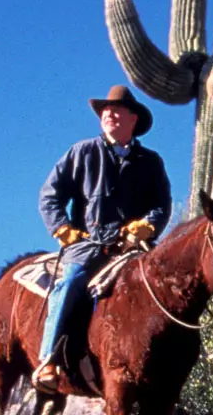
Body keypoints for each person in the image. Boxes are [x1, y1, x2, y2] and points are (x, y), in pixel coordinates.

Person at [36, 85, 172, 392]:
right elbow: (50, 196)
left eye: (117, 110)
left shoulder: (151, 162)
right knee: (69, 283)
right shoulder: (82, 152)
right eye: (105, 110)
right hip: (89, 246)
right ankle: (49, 360)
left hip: (132, 249)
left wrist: (146, 227)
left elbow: (162, 205)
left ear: (133, 119)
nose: (108, 114)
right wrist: (64, 230)